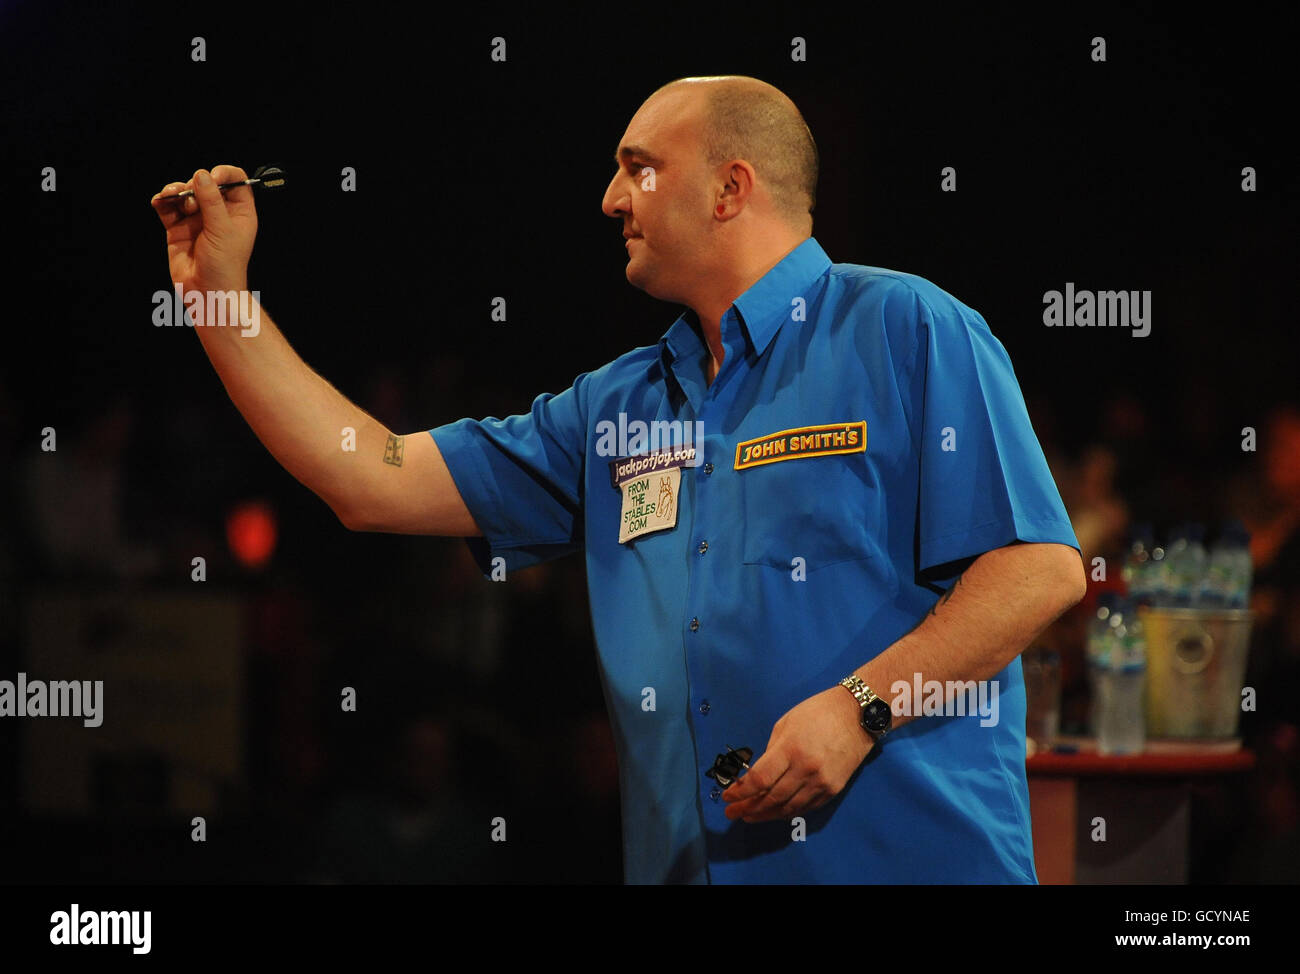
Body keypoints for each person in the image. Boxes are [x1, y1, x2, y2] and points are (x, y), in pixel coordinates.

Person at [151, 75, 1085, 884]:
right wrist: (218, 299)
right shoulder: (617, 405)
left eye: (639, 167)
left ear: (731, 189)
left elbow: (1040, 568)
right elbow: (377, 480)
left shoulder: (904, 326)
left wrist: (860, 706)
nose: (609, 198)